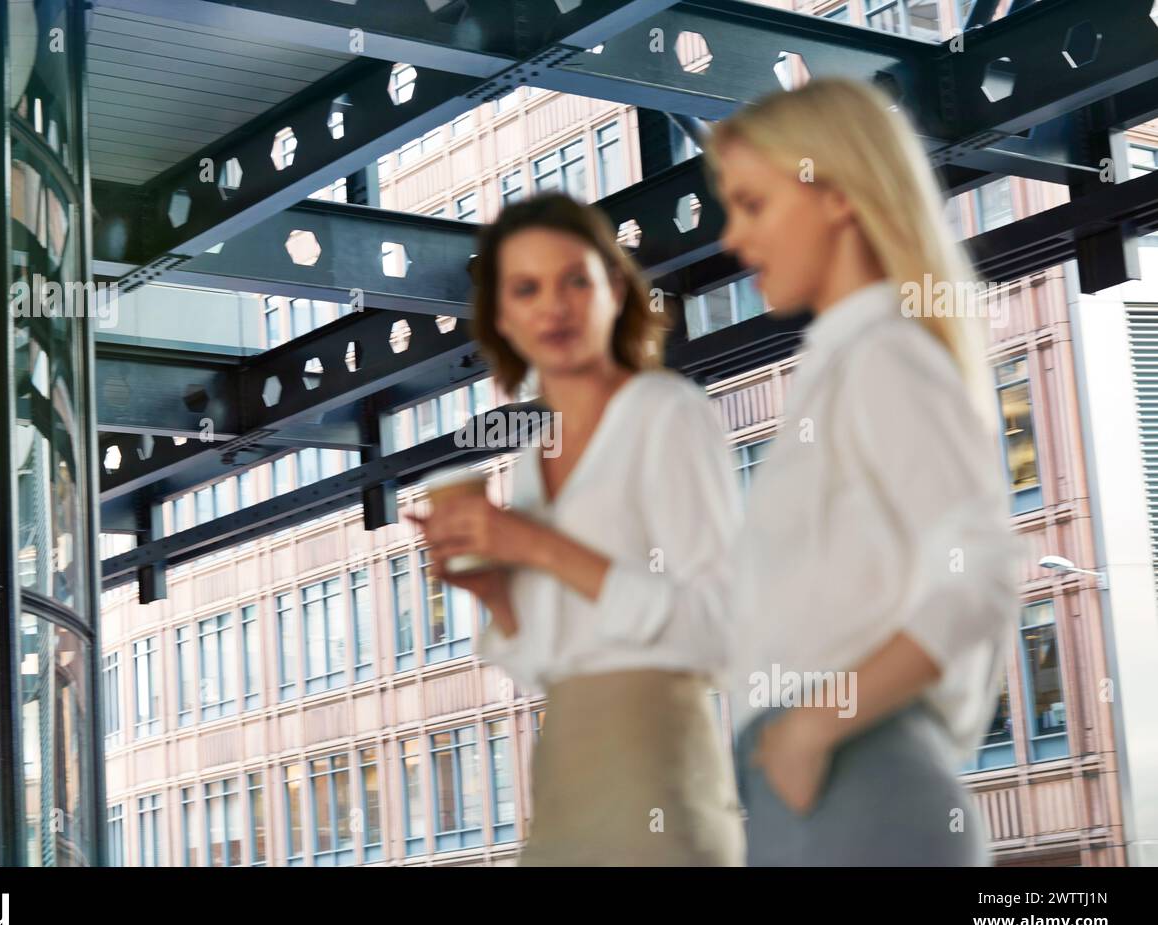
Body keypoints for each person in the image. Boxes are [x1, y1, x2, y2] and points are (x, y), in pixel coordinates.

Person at [707, 77, 1022, 865]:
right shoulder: (844, 365)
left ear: (837, 195)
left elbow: (981, 568)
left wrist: (811, 729)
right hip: (814, 792)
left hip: (858, 788)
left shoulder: (884, 356)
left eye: (753, 205)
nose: (733, 240)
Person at [407, 192, 745, 866]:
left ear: (615, 289)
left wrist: (532, 544)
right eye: (526, 289)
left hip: (657, 760)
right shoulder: (538, 452)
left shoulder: (664, 412)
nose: (553, 307)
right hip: (563, 762)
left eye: (575, 280)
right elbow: (549, 659)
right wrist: (495, 589)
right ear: (502, 317)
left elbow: (720, 628)